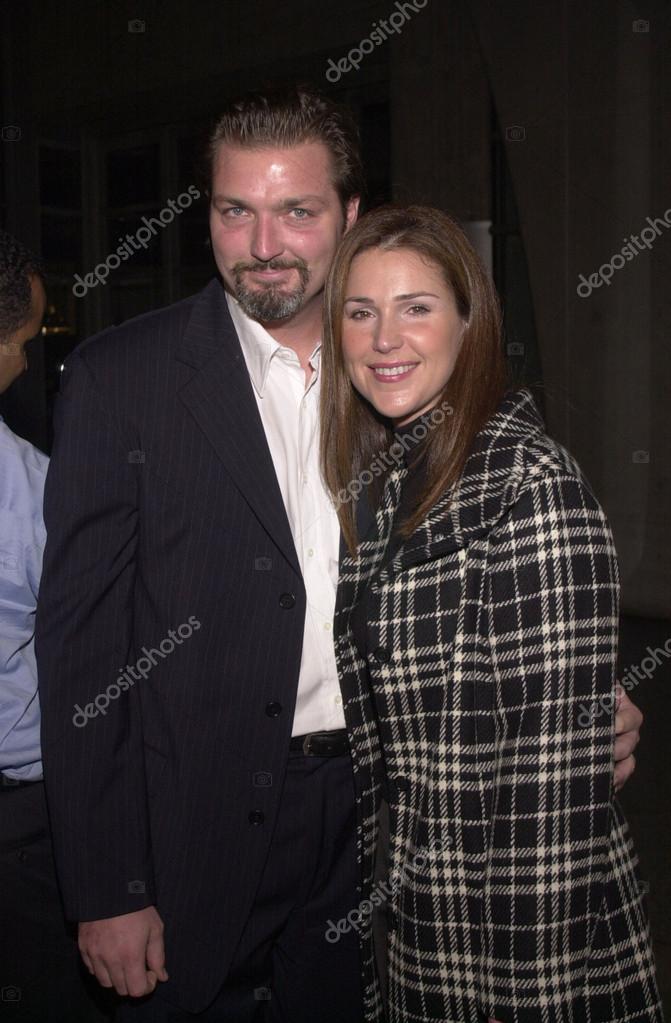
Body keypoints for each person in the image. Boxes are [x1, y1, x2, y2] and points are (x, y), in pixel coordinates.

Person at [34, 86, 642, 1023]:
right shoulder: (122, 378)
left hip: (375, 814)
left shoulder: (393, 379)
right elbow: (80, 647)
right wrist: (108, 882)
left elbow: (492, 582)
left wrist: (572, 693)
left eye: (298, 211)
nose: (264, 243)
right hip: (187, 830)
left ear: (349, 215)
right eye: (236, 210)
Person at [320, 204, 663, 1022]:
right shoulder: (392, 472)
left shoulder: (528, 489)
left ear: (469, 323)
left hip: (510, 946)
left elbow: (549, 814)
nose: (382, 339)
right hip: (418, 917)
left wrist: (525, 1000)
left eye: (416, 307)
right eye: (360, 312)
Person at [0, 229, 113, 1022]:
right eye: (28, 336)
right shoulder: (34, 487)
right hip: (20, 824)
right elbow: (85, 651)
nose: (26, 358)